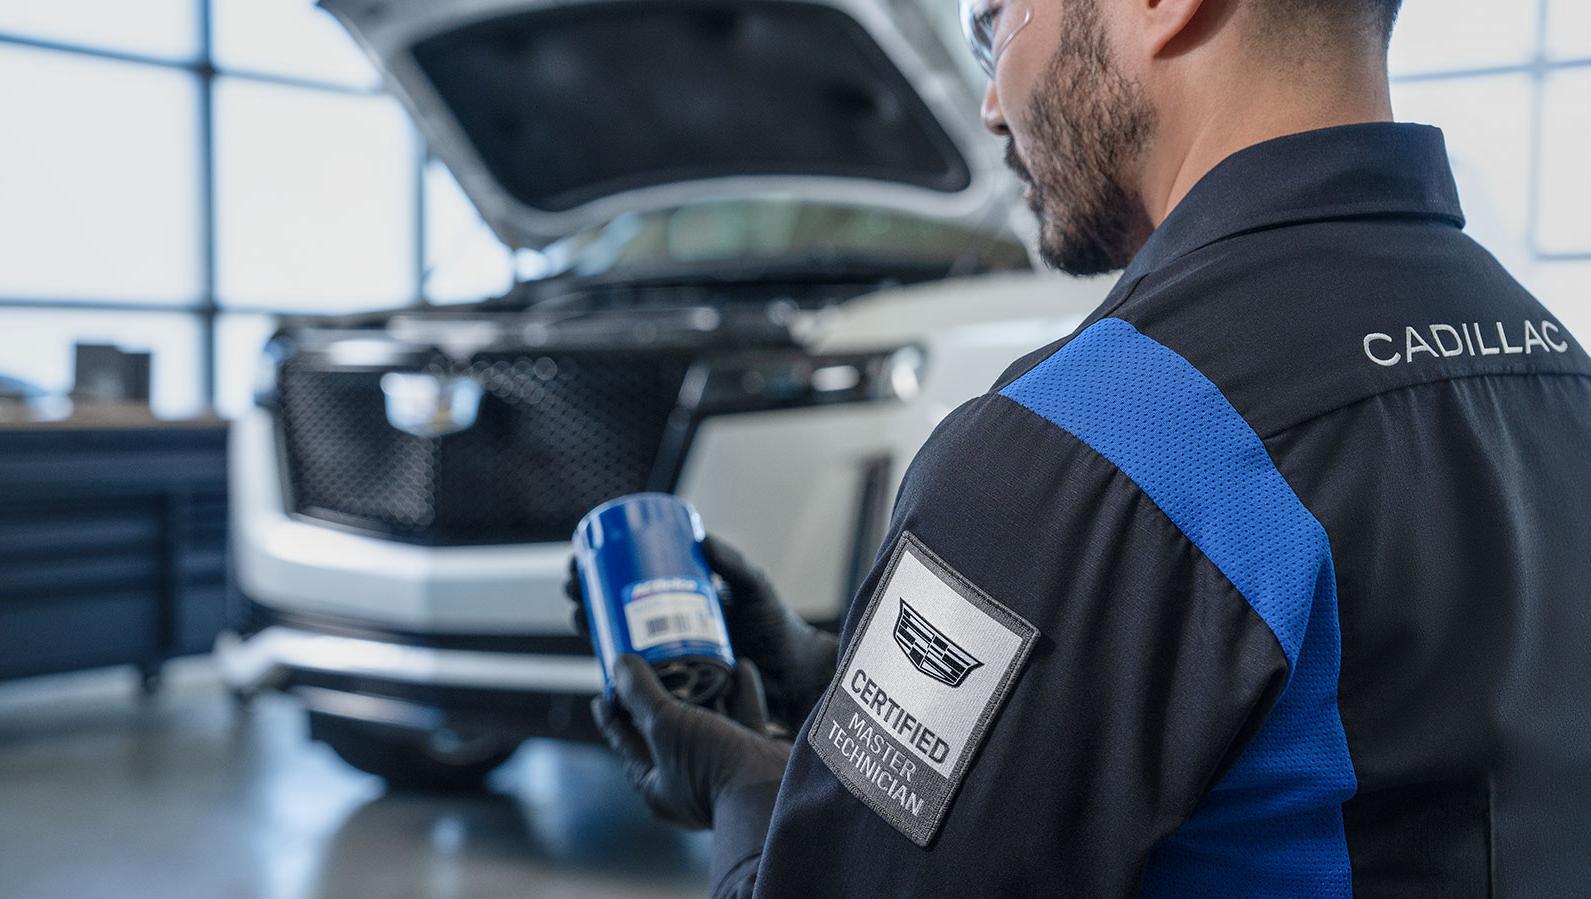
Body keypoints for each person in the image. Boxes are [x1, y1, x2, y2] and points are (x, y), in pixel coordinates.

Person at [566, 0, 1591, 893]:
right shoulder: (1555, 369)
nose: (991, 104)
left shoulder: (1081, 445)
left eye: (995, 20)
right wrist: (842, 683)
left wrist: (746, 790)